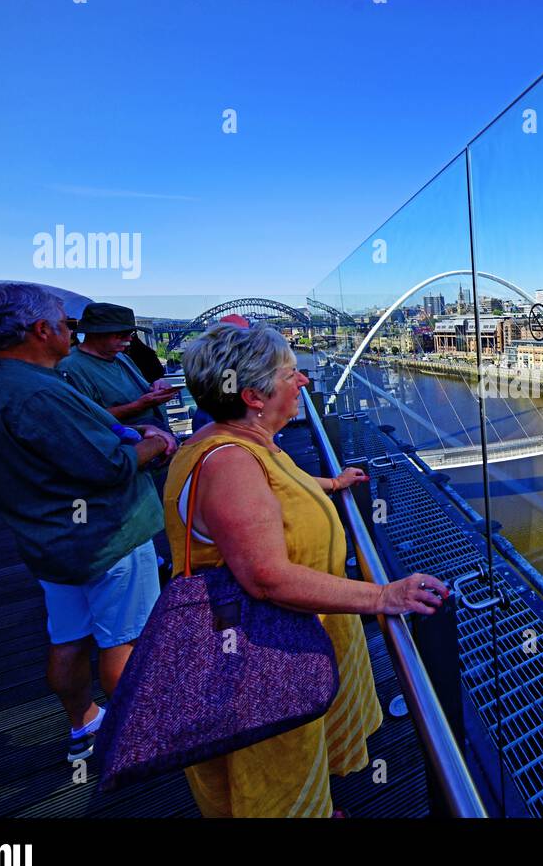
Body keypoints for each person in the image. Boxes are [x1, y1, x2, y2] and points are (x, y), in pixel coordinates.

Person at [167, 322, 448, 817]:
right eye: (291, 374)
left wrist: (333, 483)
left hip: (290, 642)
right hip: (262, 662)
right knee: (277, 778)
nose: (303, 382)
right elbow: (266, 577)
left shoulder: (238, 441)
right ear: (254, 394)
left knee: (303, 766)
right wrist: (382, 598)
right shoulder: (229, 464)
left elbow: (277, 489)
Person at [0, 283, 178, 763]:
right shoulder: (39, 393)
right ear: (41, 330)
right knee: (128, 639)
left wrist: (126, 430)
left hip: (50, 542)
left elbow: (68, 448)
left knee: (68, 637)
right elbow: (108, 466)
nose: (69, 332)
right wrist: (157, 443)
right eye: (65, 324)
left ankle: (84, 723)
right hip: (107, 539)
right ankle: (138, 734)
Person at [58, 302, 178, 436]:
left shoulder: (121, 357)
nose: (129, 339)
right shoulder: (70, 368)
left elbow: (136, 390)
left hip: (156, 439)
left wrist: (156, 385)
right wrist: (139, 405)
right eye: (121, 334)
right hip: (129, 448)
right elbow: (85, 420)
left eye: (131, 333)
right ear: (95, 333)